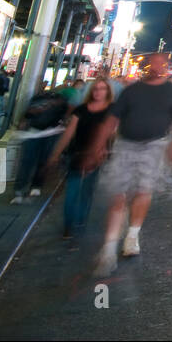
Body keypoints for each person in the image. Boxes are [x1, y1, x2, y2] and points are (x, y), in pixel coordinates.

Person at [84, 54, 172, 276]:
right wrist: (97, 146)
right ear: (147, 66)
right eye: (154, 64)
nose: (157, 68)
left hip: (155, 146)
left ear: (167, 67)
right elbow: (111, 120)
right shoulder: (131, 91)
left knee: (143, 190)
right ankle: (109, 248)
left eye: (162, 64)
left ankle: (132, 236)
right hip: (125, 145)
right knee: (119, 195)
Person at [48, 79, 113, 239]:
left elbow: (113, 133)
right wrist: (55, 154)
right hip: (77, 154)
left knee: (87, 191)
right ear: (91, 91)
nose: (98, 92)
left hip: (96, 156)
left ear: (107, 92)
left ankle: (80, 221)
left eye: (102, 89)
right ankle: (68, 225)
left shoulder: (112, 111)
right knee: (72, 190)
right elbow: (69, 133)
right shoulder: (81, 110)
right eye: (95, 89)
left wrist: (105, 149)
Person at [10, 86, 70, 203]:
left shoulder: (38, 99)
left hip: (35, 133)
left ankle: (21, 189)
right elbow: (64, 117)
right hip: (49, 133)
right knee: (41, 160)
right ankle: (33, 186)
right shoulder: (59, 102)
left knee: (28, 161)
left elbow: (27, 115)